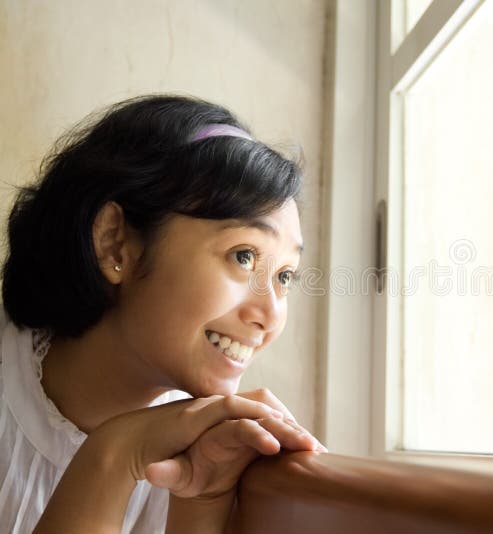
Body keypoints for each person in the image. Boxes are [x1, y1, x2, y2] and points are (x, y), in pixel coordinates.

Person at [0, 94, 325, 533]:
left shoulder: (209, 454)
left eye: (285, 276)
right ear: (115, 243)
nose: (270, 314)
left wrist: (202, 501)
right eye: (244, 255)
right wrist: (114, 456)